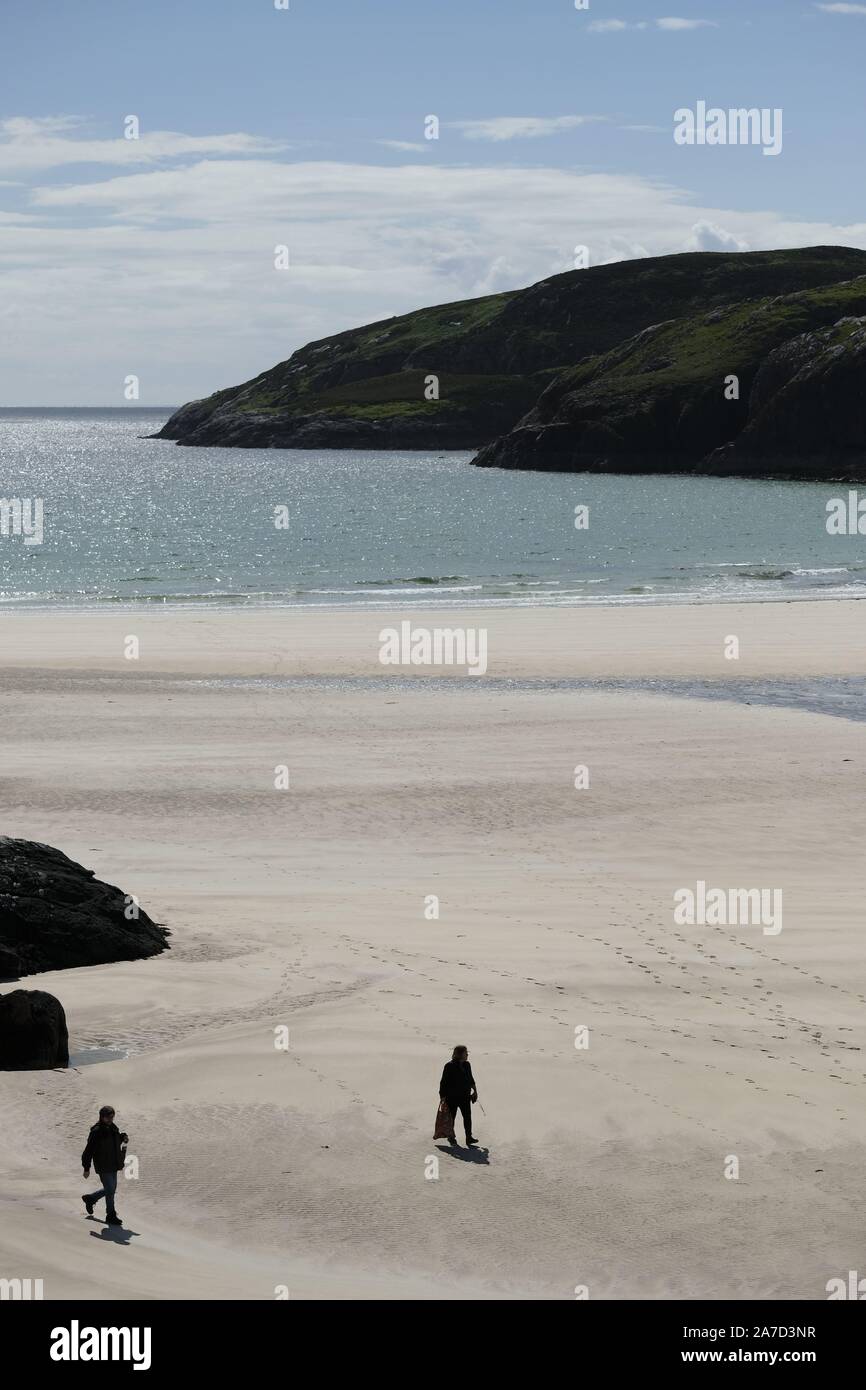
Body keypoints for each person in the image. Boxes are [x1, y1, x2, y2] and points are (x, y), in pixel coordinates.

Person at [81, 1105, 128, 1227]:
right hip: (103, 1165)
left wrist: (122, 1137)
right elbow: (88, 1151)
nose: (110, 1119)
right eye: (108, 1117)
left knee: (111, 1190)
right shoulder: (96, 1132)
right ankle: (110, 1215)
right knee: (110, 1190)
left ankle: (91, 1199)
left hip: (113, 1164)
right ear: (102, 1117)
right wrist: (86, 1168)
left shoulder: (113, 1128)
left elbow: (115, 1140)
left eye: (112, 1117)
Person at [439, 1045, 479, 1145]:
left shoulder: (467, 1065)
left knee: (467, 1117)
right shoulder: (449, 1066)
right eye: (466, 1053)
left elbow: (470, 1079)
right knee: (452, 1117)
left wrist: (475, 1091)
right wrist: (442, 1097)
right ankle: (451, 1137)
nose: (467, 1055)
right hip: (451, 1097)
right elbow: (443, 1082)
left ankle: (469, 1138)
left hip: (465, 1097)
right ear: (460, 1054)